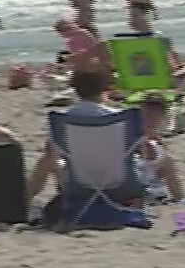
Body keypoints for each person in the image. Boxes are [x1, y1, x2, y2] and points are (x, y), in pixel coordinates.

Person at [26, 68, 123, 202]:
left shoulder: (62, 119)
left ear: (76, 90)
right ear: (106, 89)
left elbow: (51, 152)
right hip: (119, 181)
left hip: (79, 183)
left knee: (47, 159)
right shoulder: (121, 117)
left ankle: (25, 199)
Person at [133, 93, 185, 202]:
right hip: (134, 193)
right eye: (149, 112)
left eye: (157, 112)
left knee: (166, 161)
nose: (153, 116)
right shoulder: (132, 136)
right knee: (166, 161)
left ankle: (179, 198)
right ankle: (179, 198)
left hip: (152, 193)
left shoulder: (156, 142)